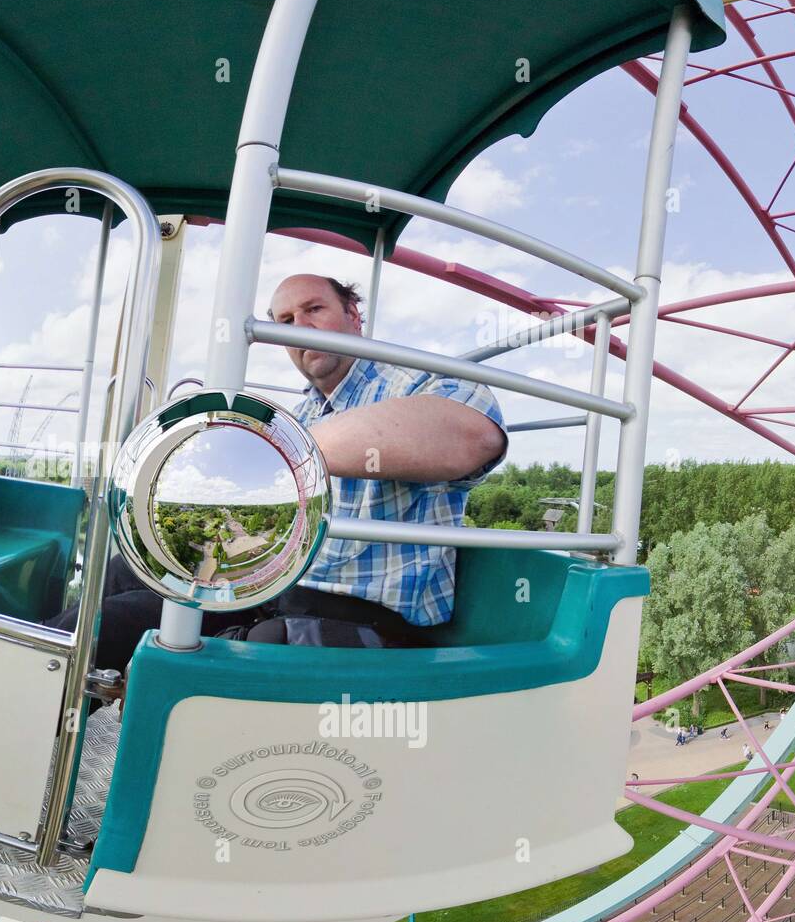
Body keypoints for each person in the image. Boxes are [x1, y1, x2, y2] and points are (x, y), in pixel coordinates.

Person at [78, 273, 506, 670]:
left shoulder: (415, 382)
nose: (298, 326)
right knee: (125, 571)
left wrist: (276, 450)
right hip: (277, 593)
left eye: (313, 310)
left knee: (114, 624)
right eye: (285, 320)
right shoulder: (302, 412)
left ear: (354, 315)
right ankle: (67, 717)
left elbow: (473, 436)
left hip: (365, 619)